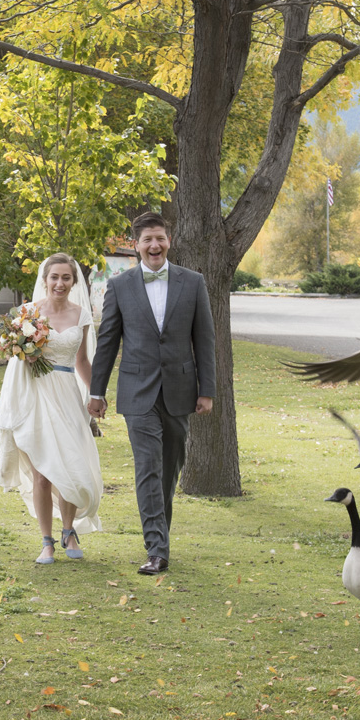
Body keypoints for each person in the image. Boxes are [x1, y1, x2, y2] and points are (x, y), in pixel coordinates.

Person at [88, 212, 216, 575]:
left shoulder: (193, 283)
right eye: (147, 240)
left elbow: (204, 339)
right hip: (137, 391)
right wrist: (97, 391)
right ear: (136, 245)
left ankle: (160, 537)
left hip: (180, 390)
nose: (154, 245)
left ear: (169, 241)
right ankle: (157, 549)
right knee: (148, 468)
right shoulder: (119, 286)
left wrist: (207, 390)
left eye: (160, 238)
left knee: (168, 471)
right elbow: (108, 342)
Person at [0, 253, 104, 564]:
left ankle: (69, 531)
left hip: (67, 395)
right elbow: (13, 356)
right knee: (42, 473)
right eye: (54, 277)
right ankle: (47, 541)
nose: (60, 283)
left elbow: (82, 361)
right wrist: (23, 352)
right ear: (45, 280)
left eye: (66, 277)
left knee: (71, 465)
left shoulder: (81, 315)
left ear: (74, 281)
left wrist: (97, 394)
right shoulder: (27, 314)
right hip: (34, 397)